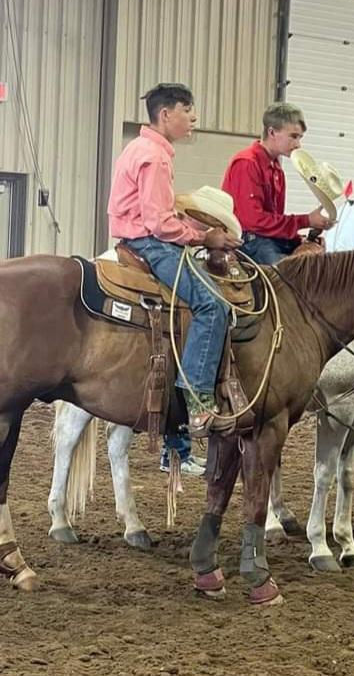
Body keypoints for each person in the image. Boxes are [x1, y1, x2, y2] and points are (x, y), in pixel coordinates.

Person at [108, 83, 241, 473]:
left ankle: (177, 436)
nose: (194, 117)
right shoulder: (155, 157)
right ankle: (198, 401)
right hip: (152, 244)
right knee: (212, 305)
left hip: (140, 239)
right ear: (165, 114)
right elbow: (158, 222)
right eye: (187, 109)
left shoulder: (140, 148)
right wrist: (205, 236)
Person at [222, 102, 333, 265]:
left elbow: (273, 220)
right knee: (284, 278)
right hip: (246, 239)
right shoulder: (247, 163)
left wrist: (298, 238)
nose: (298, 145)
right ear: (272, 132)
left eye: (300, 138)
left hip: (264, 238)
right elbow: (253, 221)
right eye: (293, 136)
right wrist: (306, 221)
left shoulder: (276, 169)